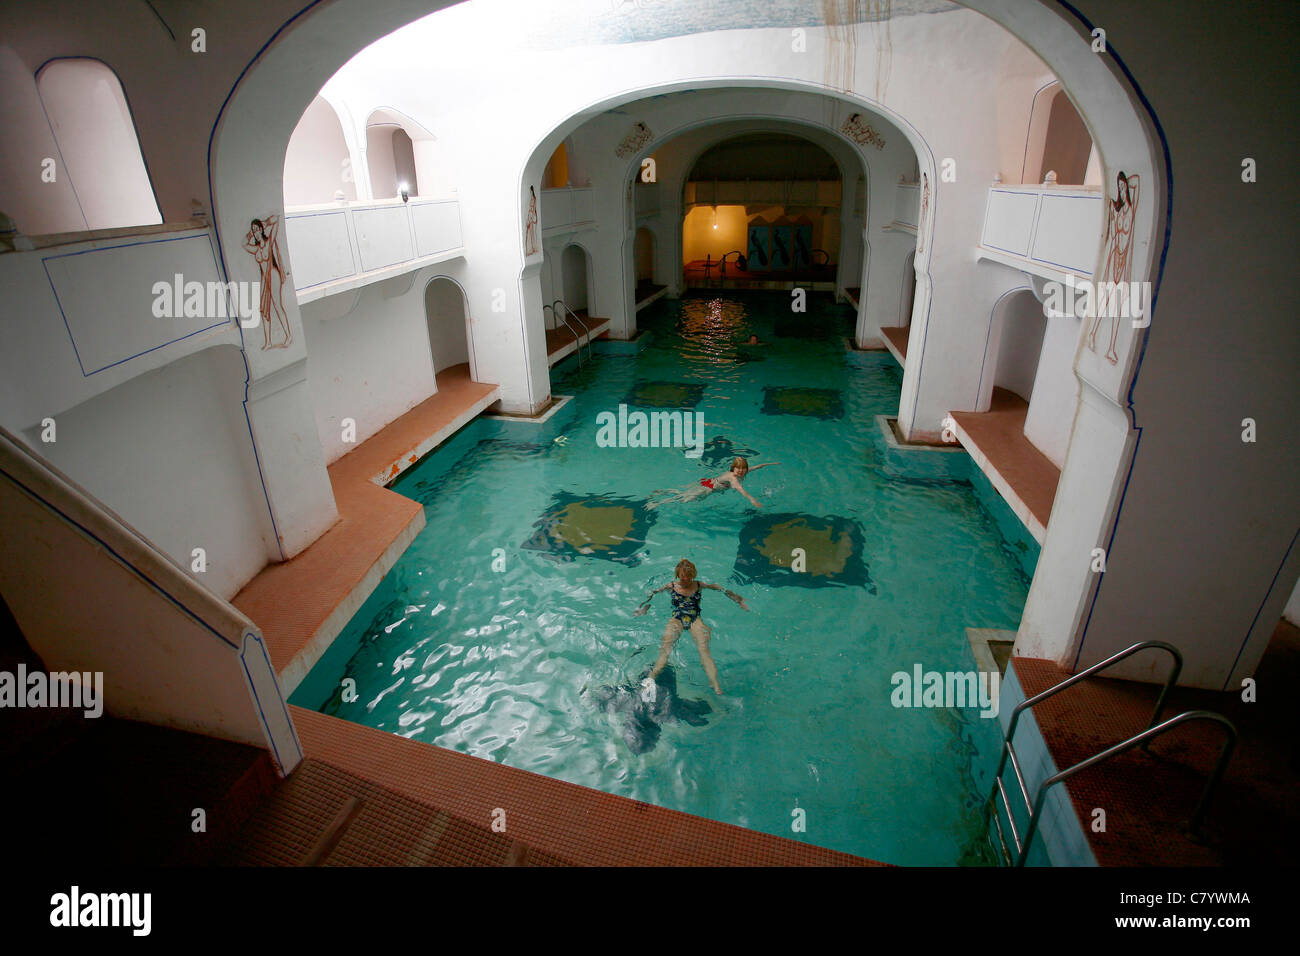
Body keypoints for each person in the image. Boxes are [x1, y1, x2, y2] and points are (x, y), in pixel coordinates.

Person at [635, 559, 748, 695]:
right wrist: (643, 608)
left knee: (704, 651)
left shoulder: (699, 585)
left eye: (689, 576)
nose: (686, 579)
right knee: (665, 650)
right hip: (676, 619)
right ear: (678, 574)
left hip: (695, 620)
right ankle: (651, 678)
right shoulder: (671, 586)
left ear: (693, 575)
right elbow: (652, 593)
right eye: (683, 576)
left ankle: (714, 683)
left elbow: (720, 588)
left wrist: (739, 599)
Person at [647, 456, 778, 509]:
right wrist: (752, 500)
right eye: (739, 469)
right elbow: (741, 490)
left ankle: (663, 492)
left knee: (684, 494)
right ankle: (657, 503)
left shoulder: (744, 471)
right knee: (684, 499)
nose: (741, 472)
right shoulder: (733, 478)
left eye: (744, 469)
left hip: (708, 483)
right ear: (733, 468)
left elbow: (757, 466)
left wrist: (770, 464)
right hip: (708, 487)